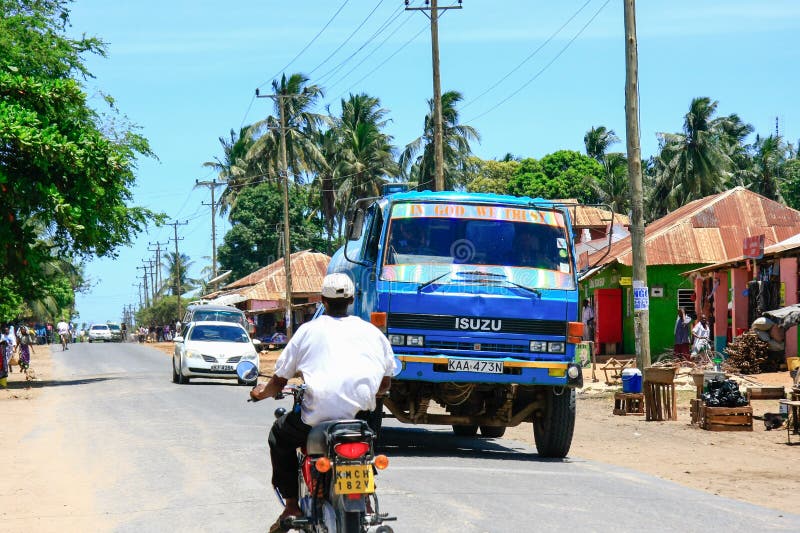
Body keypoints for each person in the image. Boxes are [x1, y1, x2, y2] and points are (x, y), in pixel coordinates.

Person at [249, 273, 397, 532]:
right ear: (351, 300)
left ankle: (292, 505)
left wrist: (261, 393)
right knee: (368, 443)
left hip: (318, 420)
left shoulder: (308, 331)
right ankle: (367, 500)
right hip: (359, 419)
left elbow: (279, 381)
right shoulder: (372, 333)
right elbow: (386, 382)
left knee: (278, 436)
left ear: (322, 301)